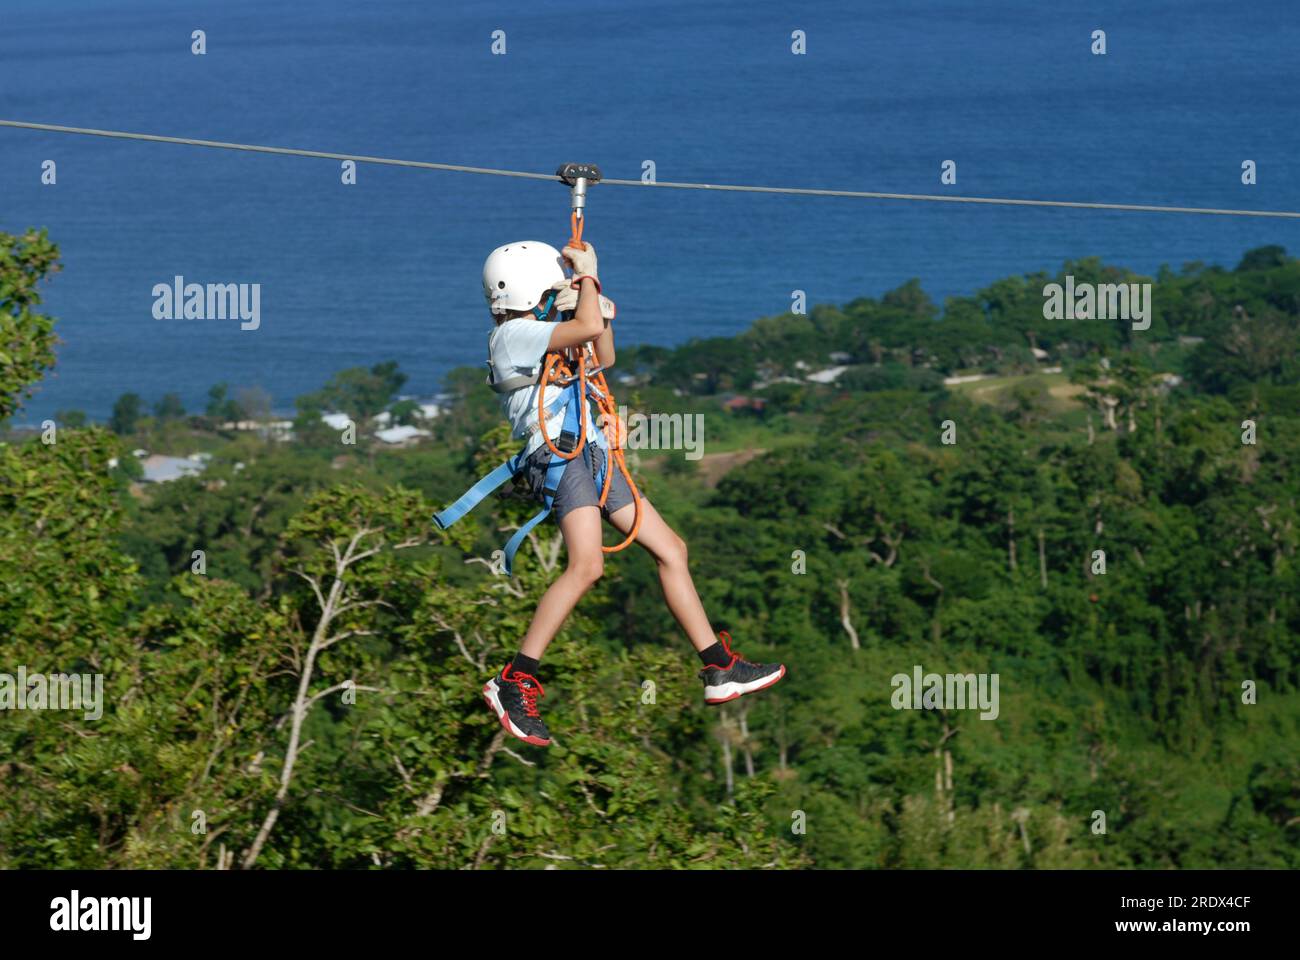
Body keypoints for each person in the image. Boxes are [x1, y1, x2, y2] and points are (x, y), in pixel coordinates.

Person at [477, 239, 785, 746]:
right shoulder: (513, 336)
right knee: (587, 566)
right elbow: (589, 329)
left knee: (672, 550)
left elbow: (603, 352)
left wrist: (587, 297)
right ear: (531, 289)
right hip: (559, 455)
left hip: (589, 450)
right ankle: (514, 678)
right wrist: (589, 281)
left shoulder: (546, 332)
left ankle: (717, 667)